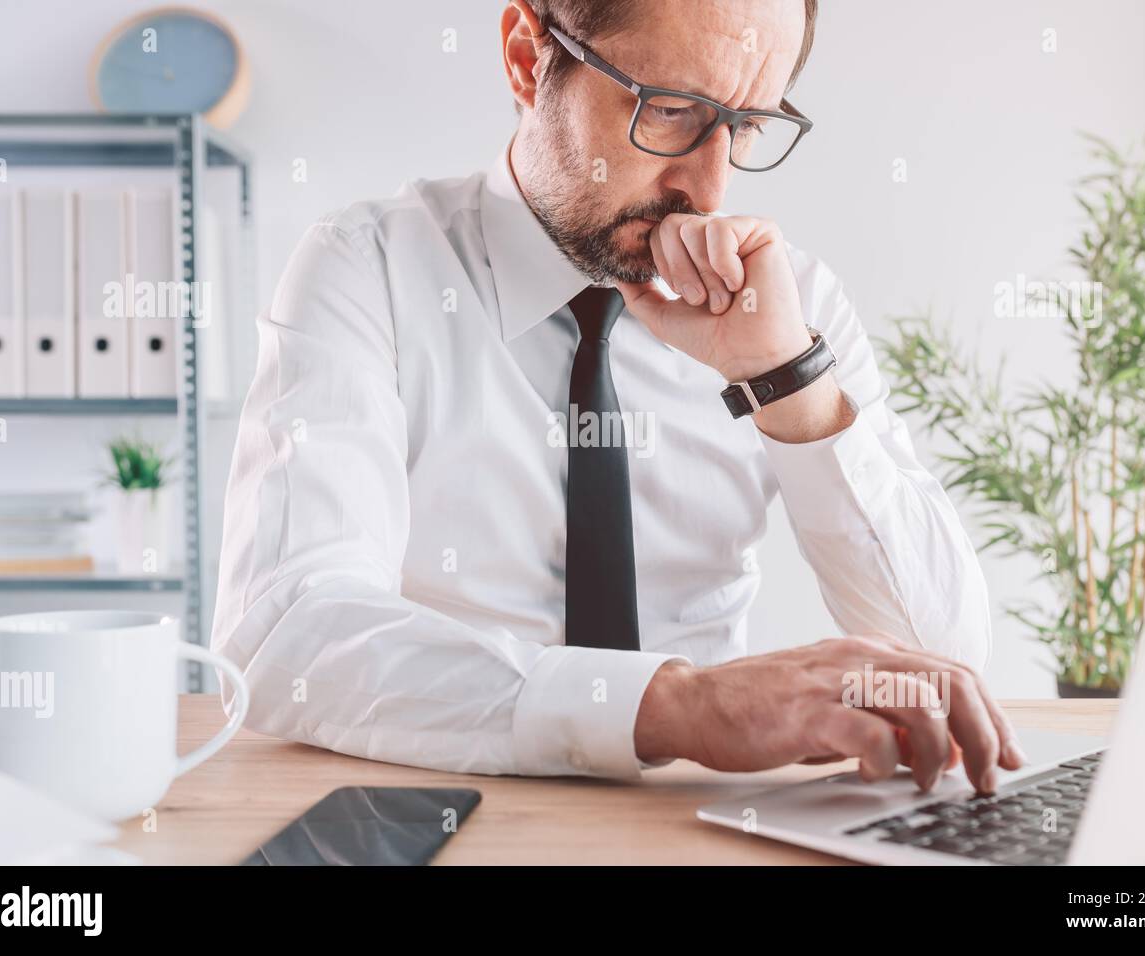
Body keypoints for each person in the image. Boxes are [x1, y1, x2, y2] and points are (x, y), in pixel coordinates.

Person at [212, 0, 1026, 794]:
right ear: (529, 59)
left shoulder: (790, 305)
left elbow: (939, 659)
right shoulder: (368, 270)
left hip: (698, 827)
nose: (709, 189)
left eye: (743, 128)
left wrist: (783, 379)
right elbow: (286, 632)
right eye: (671, 110)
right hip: (445, 805)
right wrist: (678, 707)